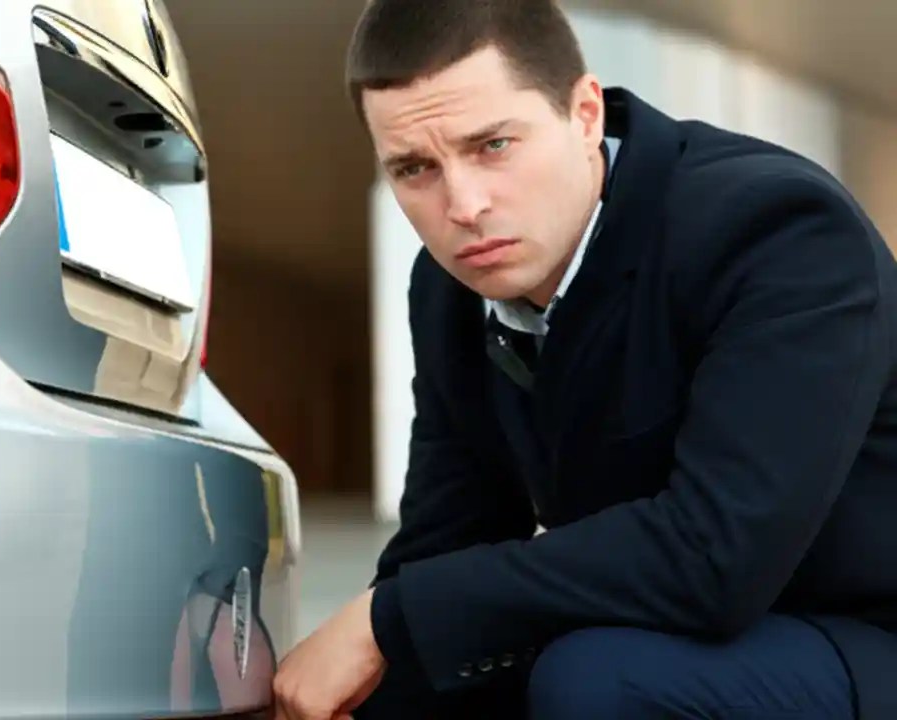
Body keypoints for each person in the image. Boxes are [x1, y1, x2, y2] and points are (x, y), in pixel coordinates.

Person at [271, 0, 897, 718]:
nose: (464, 205)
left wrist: (390, 617)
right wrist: (373, 662)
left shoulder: (777, 232)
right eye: (414, 168)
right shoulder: (448, 287)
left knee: (597, 681)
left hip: (862, 637)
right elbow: (449, 536)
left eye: (493, 146)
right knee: (399, 683)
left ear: (586, 113)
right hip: (668, 628)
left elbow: (716, 558)